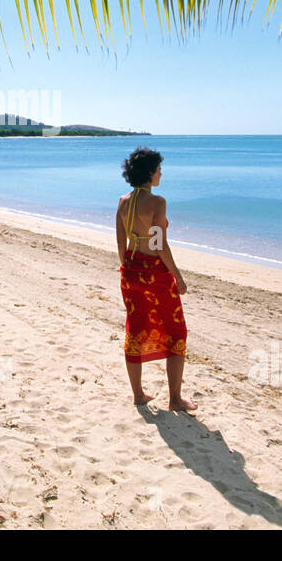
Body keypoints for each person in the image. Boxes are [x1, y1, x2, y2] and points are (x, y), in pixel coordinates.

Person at [116, 147, 196, 411]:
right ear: (150, 172)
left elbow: (121, 240)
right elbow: (161, 245)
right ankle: (174, 399)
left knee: (136, 329)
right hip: (154, 274)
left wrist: (125, 264)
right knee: (176, 331)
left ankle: (138, 395)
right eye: (159, 168)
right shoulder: (157, 202)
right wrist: (178, 275)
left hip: (131, 271)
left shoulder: (123, 201)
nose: (161, 172)